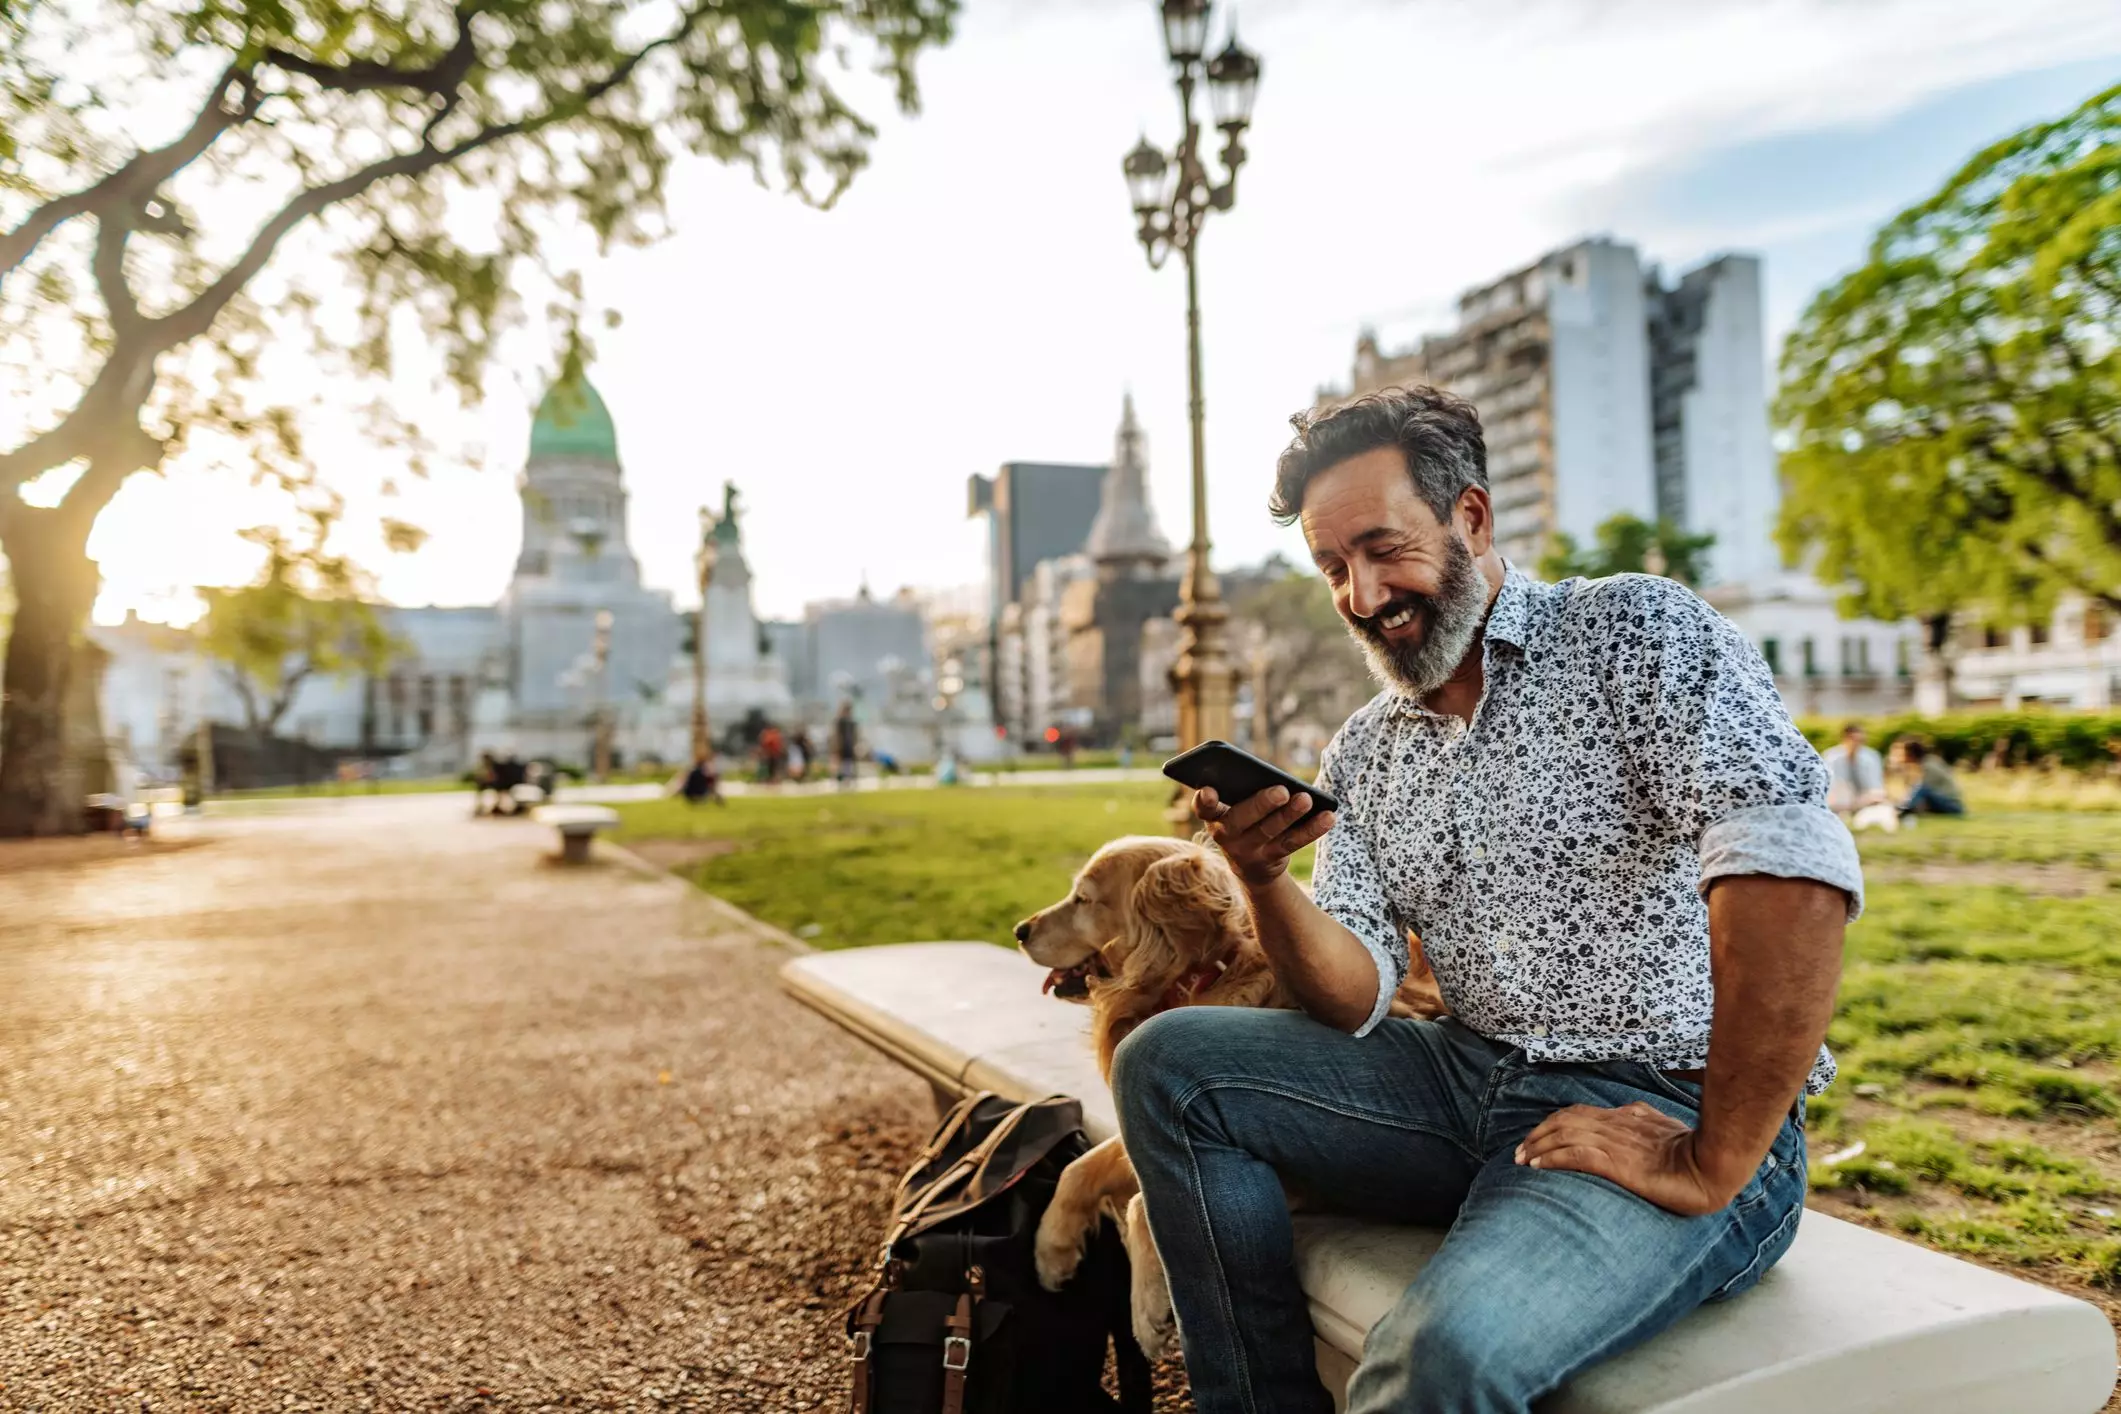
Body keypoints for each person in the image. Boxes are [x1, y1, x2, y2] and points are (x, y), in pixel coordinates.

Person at [1121, 385, 1860, 1414]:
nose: (1361, 594)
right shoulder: (1368, 749)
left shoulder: (1632, 633)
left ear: (1470, 515)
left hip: (1660, 1100)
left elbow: (1789, 865)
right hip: (1464, 1078)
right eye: (1334, 566)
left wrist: (1714, 1155)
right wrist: (1262, 878)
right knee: (1169, 1062)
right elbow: (1354, 995)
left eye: (1384, 549)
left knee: (1442, 1358)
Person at [1823, 722, 1893, 831]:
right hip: (1841, 796)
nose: (1857, 743)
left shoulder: (1872, 756)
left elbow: (1875, 783)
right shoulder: (1831, 756)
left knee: (1877, 797)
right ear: (1845, 738)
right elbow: (1832, 784)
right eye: (1853, 739)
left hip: (1864, 796)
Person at [1898, 739, 1965, 818]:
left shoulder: (1928, 766)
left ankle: (1905, 810)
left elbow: (1922, 791)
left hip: (1953, 807)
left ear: (1911, 754)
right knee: (1921, 789)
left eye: (1905, 753)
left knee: (1923, 789)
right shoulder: (1930, 760)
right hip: (1952, 804)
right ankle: (1905, 808)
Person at [832, 701, 860, 789]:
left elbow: (855, 735)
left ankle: (850, 781)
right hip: (841, 747)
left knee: (850, 765)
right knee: (840, 765)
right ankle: (840, 782)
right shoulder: (840, 722)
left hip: (850, 746)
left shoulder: (852, 722)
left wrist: (856, 745)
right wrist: (836, 746)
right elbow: (837, 735)